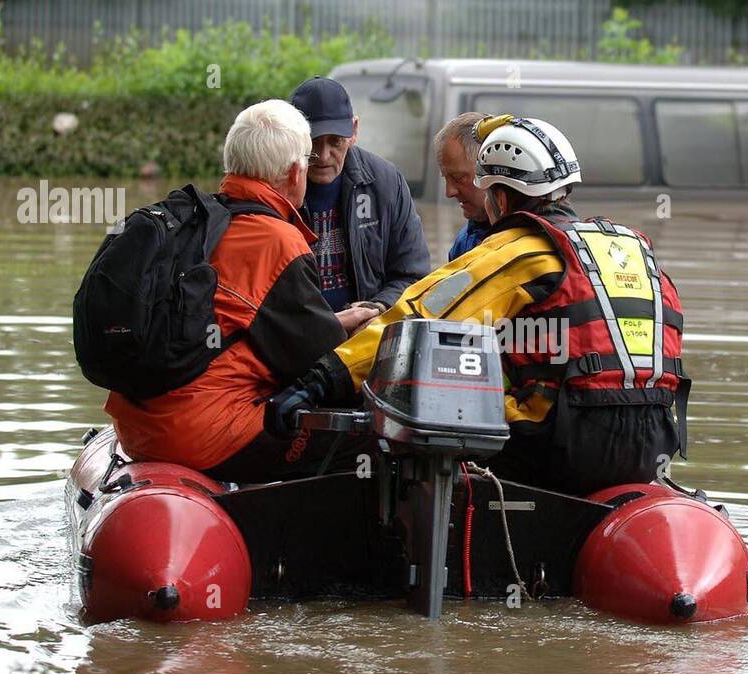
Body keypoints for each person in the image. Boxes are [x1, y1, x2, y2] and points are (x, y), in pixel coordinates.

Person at [267, 115, 690, 496]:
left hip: (566, 447)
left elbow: (417, 319)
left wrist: (321, 380)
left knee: (440, 387)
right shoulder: (630, 247)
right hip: (652, 439)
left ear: (501, 199)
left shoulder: (518, 251)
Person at [104, 99, 353, 483]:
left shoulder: (194, 222)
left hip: (136, 429)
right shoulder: (279, 243)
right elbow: (323, 361)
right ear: (294, 172)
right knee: (362, 441)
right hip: (201, 438)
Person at [288, 76, 430, 334]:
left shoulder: (386, 182)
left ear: (353, 131)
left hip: (365, 335)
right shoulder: (275, 186)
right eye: (313, 142)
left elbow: (413, 275)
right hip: (296, 338)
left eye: (335, 141)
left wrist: (377, 307)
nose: (324, 154)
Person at [433, 112, 492, 261]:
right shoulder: (466, 240)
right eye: (446, 178)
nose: (449, 192)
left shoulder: (539, 242)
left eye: (459, 178)